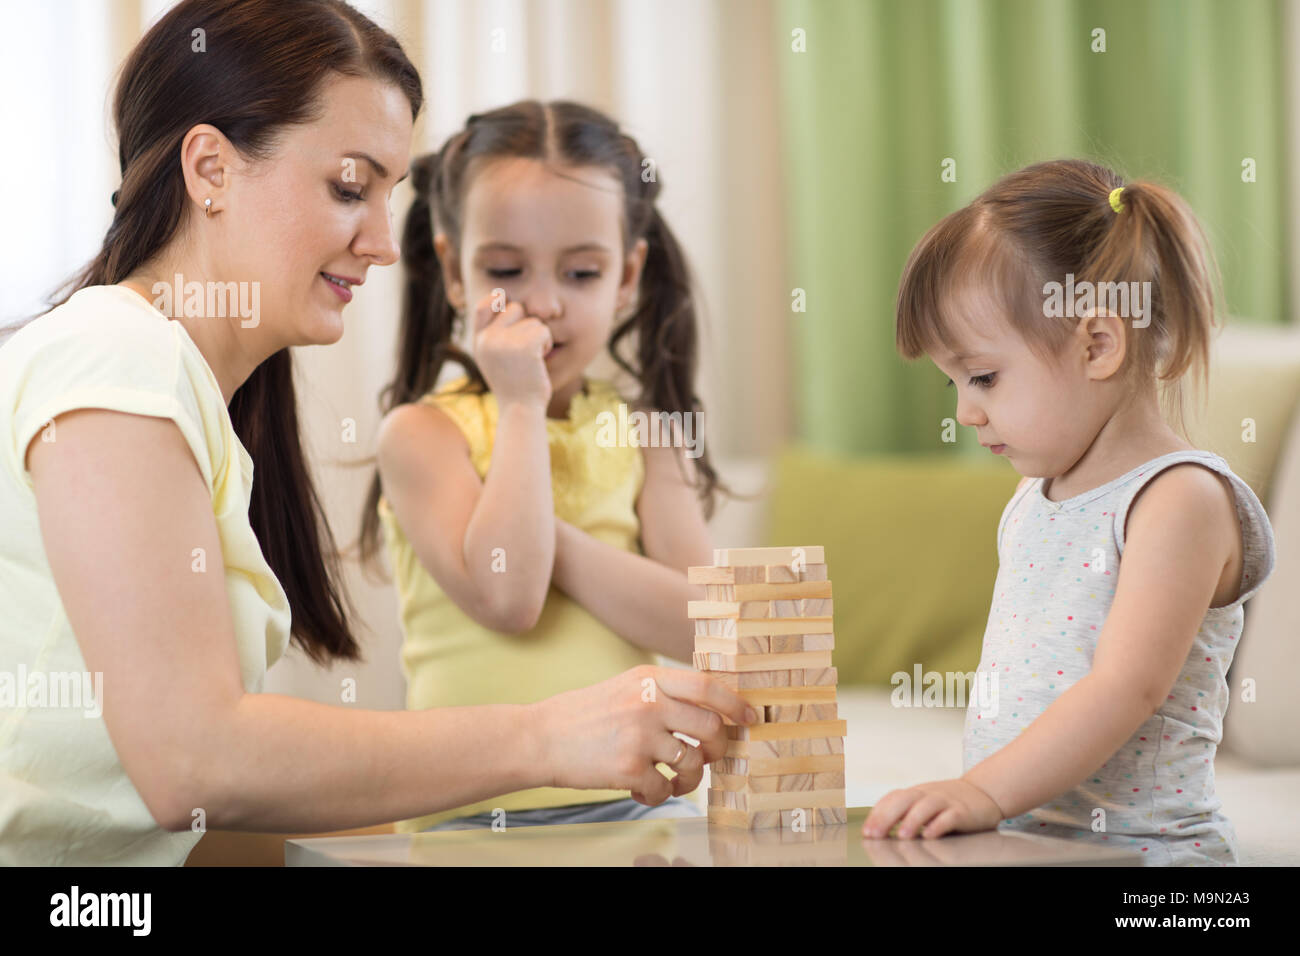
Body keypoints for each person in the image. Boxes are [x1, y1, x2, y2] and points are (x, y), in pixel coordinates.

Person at [0, 0, 753, 867]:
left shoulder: (179, 387)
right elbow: (190, 763)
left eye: (388, 196)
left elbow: (160, 814)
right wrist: (547, 738)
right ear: (209, 168)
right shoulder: (113, 355)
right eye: (350, 188)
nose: (384, 245)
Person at [867, 159, 1276, 865]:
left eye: (983, 377)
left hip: (1152, 863)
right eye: (953, 384)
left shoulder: (1179, 500)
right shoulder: (1034, 495)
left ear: (1098, 344)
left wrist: (982, 792)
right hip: (1030, 846)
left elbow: (1126, 687)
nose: (965, 411)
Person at [356, 100, 730, 832]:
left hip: (636, 800)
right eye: (505, 269)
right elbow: (509, 596)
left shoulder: (650, 436)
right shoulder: (423, 436)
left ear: (627, 277)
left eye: (582, 272)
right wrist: (521, 407)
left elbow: (707, 630)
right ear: (455, 274)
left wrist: (552, 541)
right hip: (463, 809)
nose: (544, 302)